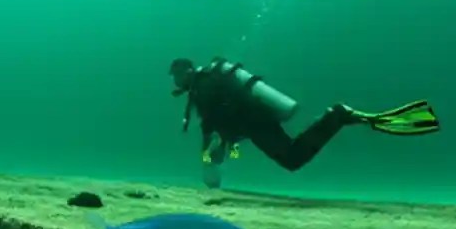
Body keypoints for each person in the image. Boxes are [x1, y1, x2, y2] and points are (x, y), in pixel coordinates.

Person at [169, 57, 440, 174]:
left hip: (256, 123)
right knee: (291, 157)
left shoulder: (202, 88)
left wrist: (207, 157)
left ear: (186, 72)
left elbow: (213, 124)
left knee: (292, 159)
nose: (175, 82)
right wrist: (226, 150)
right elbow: (226, 126)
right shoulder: (209, 81)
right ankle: (338, 117)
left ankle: (336, 116)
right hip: (257, 122)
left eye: (176, 76)